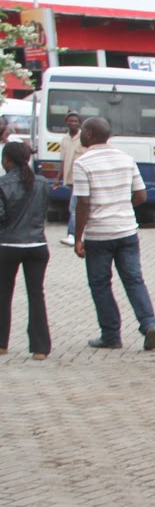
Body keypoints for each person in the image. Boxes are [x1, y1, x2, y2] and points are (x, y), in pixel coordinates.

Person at [72, 116, 155, 351]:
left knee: (100, 284)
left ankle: (111, 335)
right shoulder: (125, 159)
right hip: (127, 231)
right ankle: (149, 323)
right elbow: (141, 195)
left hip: (99, 235)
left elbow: (83, 204)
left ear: (89, 134)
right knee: (134, 280)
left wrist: (78, 237)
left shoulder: (82, 163)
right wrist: (121, 205)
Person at [0, 141, 51, 359]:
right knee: (36, 294)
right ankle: (40, 348)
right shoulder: (42, 182)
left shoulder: (2, 184)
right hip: (37, 245)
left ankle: (1, 344)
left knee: (3, 294)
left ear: (7, 160)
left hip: (8, 246)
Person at [57, 111, 83, 246]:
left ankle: (72, 235)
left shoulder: (84, 138)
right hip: (70, 178)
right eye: (71, 121)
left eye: (76, 121)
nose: (73, 123)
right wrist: (58, 177)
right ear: (67, 122)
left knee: (73, 207)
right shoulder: (65, 139)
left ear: (79, 123)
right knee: (77, 207)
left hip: (81, 179)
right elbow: (63, 160)